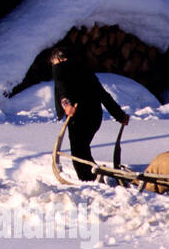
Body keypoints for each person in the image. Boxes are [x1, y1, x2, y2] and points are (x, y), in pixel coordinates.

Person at [51, 45, 129, 181]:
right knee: (83, 149)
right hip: (94, 117)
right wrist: (119, 115)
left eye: (53, 63)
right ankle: (93, 176)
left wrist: (66, 104)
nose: (53, 66)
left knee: (79, 151)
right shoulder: (84, 70)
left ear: (58, 59)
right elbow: (103, 95)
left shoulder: (60, 68)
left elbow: (61, 87)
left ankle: (89, 179)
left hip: (78, 117)